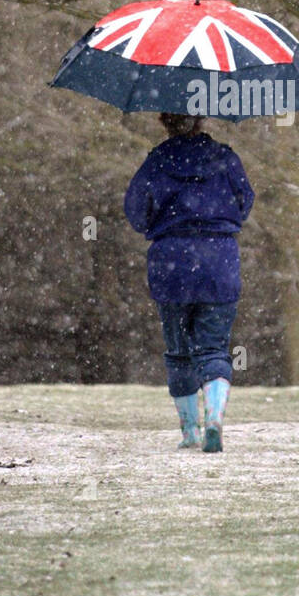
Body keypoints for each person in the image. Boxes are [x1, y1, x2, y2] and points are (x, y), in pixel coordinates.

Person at [124, 113, 254, 452]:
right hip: (219, 262)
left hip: (172, 264)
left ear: (164, 121)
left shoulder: (156, 161)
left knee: (179, 352)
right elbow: (245, 202)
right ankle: (215, 417)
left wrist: (167, 221)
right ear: (201, 120)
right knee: (214, 348)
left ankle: (190, 432)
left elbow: (136, 211)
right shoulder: (225, 157)